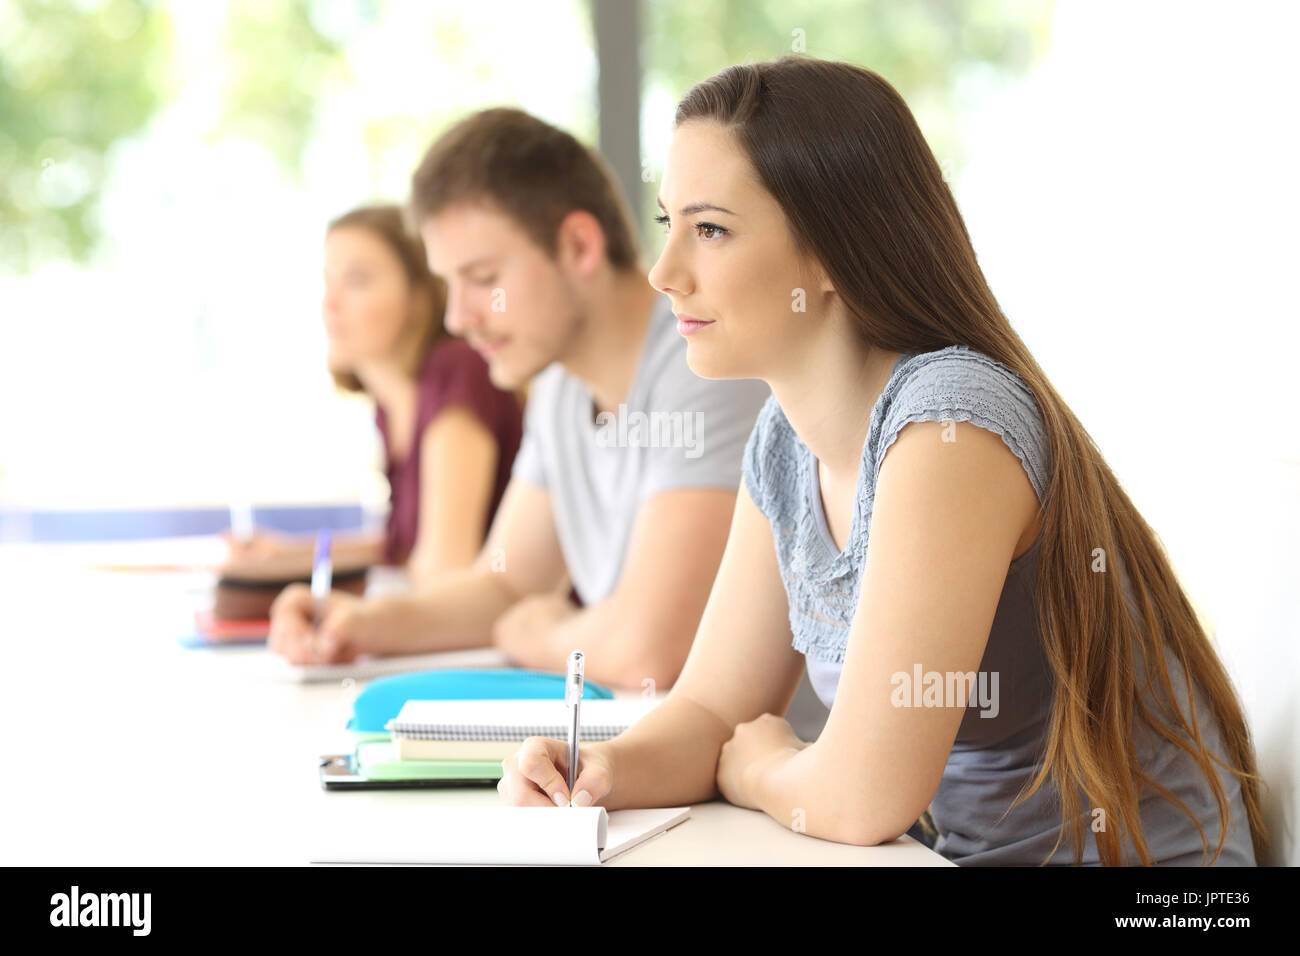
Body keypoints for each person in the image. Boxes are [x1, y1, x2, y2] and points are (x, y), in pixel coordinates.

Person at [496, 55, 1268, 867]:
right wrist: (597, 772)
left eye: (711, 229)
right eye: (667, 224)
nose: (664, 273)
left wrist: (763, 771)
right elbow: (713, 709)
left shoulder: (948, 429)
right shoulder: (785, 441)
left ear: (832, 252)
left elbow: (861, 798)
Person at [268, 109, 771, 689]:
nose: (458, 318)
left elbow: (647, 652)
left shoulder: (703, 362)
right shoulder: (560, 383)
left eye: (483, 279)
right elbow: (508, 584)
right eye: (448, 284)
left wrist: (532, 637)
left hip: (770, 765)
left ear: (579, 245)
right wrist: (361, 624)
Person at [221, 206, 522, 590]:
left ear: (419, 294)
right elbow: (401, 548)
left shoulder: (458, 371)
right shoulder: (390, 407)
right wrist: (286, 556)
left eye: (357, 281)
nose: (330, 303)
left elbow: (443, 568)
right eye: (327, 281)